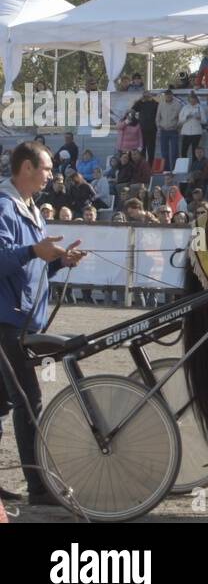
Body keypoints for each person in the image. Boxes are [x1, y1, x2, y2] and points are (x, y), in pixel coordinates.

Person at [0, 142, 86, 505]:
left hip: (19, 318)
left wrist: (57, 262)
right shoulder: (5, 206)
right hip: (7, 320)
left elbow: (29, 265)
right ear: (26, 168)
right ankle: (38, 488)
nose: (52, 174)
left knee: (5, 400)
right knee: (28, 399)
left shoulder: (28, 208)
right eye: (47, 168)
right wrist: (36, 251)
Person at [179, 92, 204, 160]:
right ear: (189, 100)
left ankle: (194, 167)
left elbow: (205, 121)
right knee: (183, 151)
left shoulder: (200, 107)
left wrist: (199, 119)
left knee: (195, 152)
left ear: (196, 99)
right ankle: (184, 167)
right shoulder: (185, 107)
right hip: (186, 132)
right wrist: (186, 117)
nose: (192, 101)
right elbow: (180, 120)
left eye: (193, 99)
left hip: (196, 133)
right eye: (191, 99)